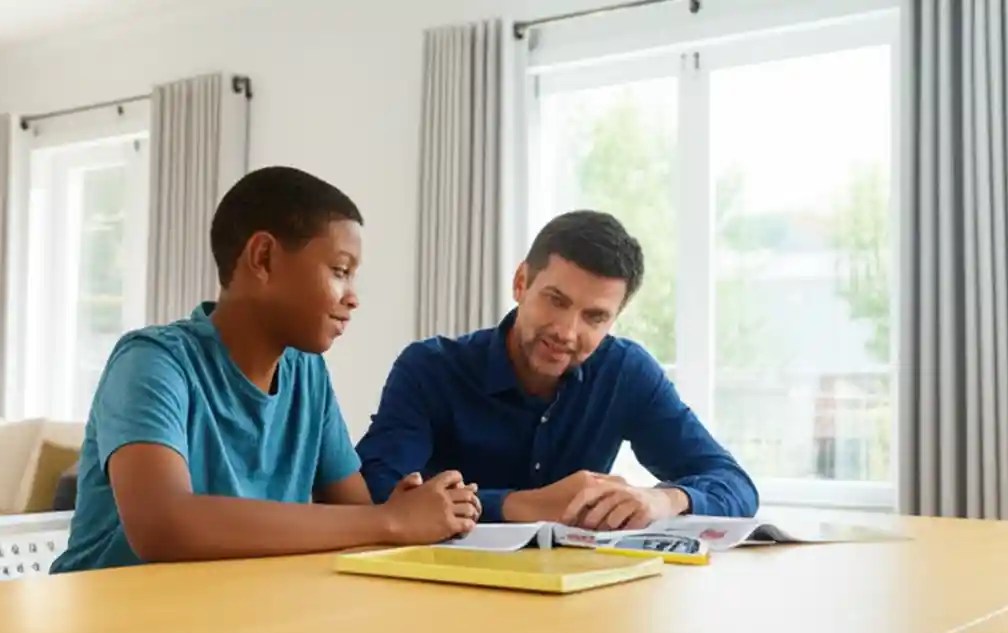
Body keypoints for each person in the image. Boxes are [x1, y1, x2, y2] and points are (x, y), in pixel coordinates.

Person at [52, 166, 479, 573]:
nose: (353, 297)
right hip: (111, 614)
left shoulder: (308, 375)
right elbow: (163, 525)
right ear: (264, 258)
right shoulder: (152, 362)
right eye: (340, 271)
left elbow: (356, 516)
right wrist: (388, 520)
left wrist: (399, 515)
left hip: (234, 611)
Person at [357, 210, 757, 531]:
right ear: (521, 283)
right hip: (438, 587)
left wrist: (662, 500)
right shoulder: (430, 368)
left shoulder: (626, 372)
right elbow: (372, 492)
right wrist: (523, 505)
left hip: (577, 591)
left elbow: (734, 484)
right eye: (556, 300)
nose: (566, 332)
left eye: (594, 317)